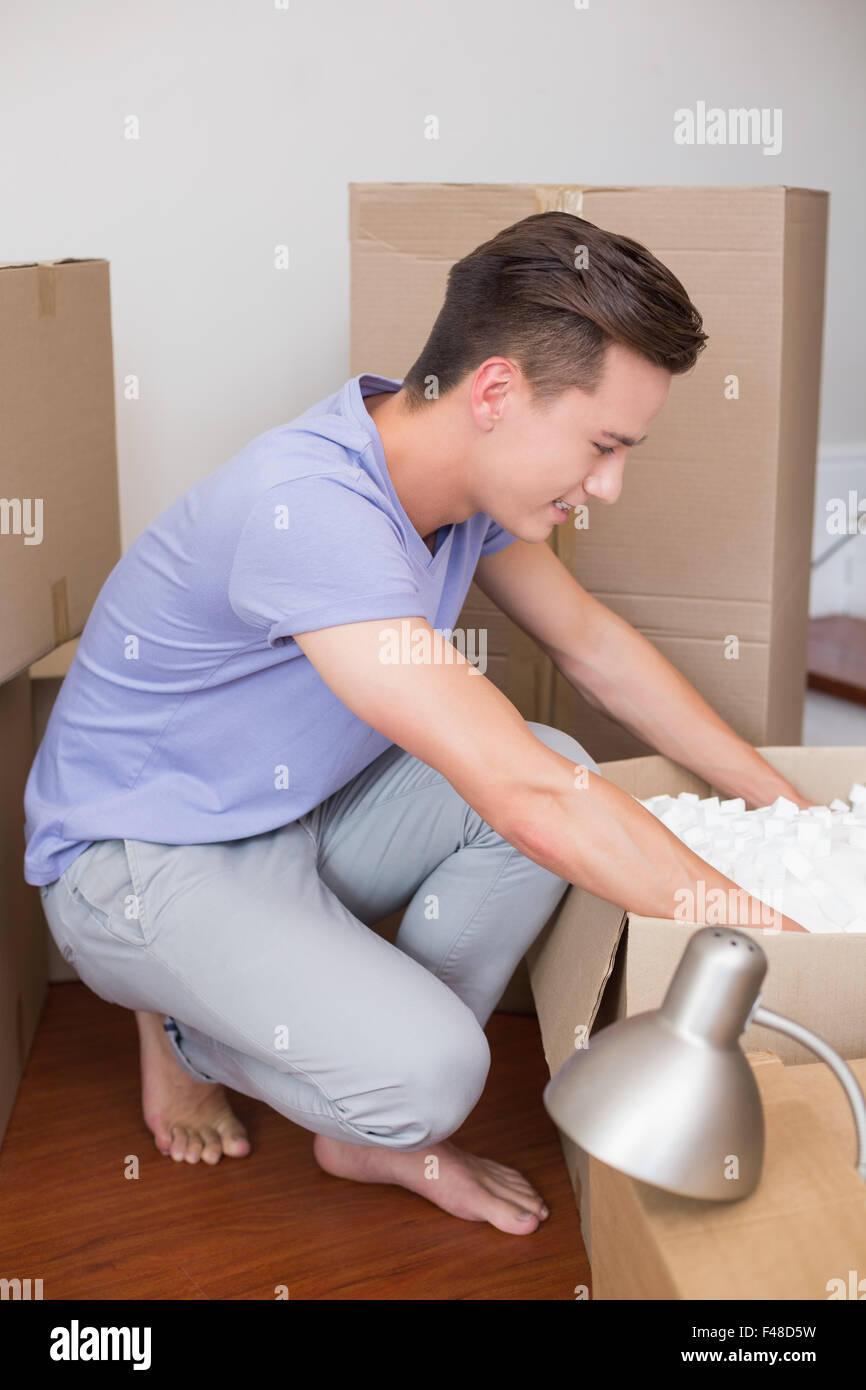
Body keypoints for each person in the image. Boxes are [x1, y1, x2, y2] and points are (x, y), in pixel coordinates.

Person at [24, 211, 811, 1238]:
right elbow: (526, 798)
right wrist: (789, 942)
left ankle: (363, 1117)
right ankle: (195, 1037)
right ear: (495, 392)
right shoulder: (310, 508)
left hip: (286, 810)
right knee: (438, 1067)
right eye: (603, 445)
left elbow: (594, 650)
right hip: (139, 858)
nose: (608, 487)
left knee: (561, 758)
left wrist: (790, 810)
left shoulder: (454, 474)